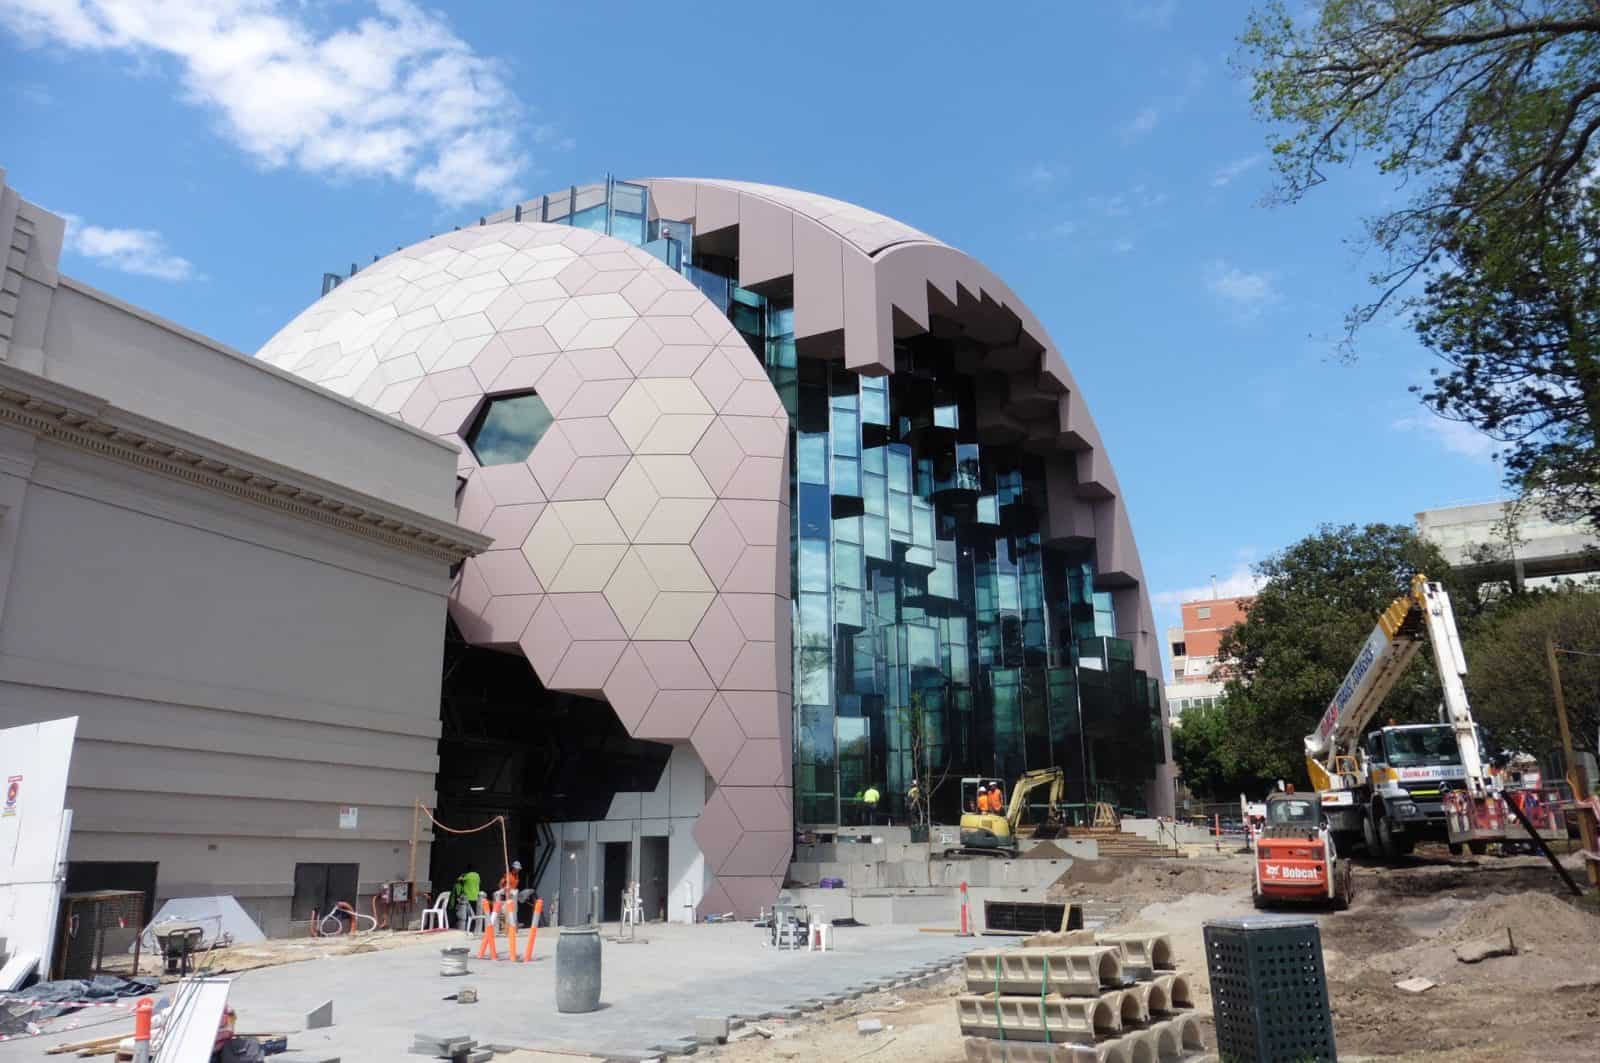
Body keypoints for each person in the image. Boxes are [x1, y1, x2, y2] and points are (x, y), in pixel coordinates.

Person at [453, 864, 480, 929]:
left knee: (466, 915)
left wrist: (462, 876)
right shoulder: (477, 876)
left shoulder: (467, 876)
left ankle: (466, 928)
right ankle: (472, 928)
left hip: (468, 898)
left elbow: (458, 880)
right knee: (473, 915)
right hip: (476, 897)